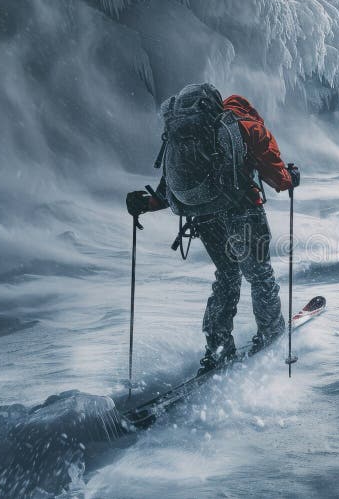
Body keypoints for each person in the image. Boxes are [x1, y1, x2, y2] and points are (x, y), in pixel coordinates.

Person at [126, 83, 300, 374]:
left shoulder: (184, 135)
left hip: (204, 219)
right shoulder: (246, 126)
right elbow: (277, 178)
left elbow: (168, 193)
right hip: (243, 211)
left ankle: (218, 348)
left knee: (227, 276)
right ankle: (271, 333)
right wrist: (291, 177)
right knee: (259, 275)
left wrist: (144, 204)